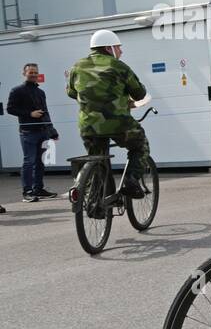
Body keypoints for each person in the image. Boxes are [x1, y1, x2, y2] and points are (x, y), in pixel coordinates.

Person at [66, 30, 150, 199]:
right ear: (109, 48)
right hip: (118, 123)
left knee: (98, 160)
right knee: (140, 145)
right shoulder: (118, 66)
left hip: (89, 126)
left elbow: (71, 92)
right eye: (118, 48)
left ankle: (97, 205)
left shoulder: (77, 66)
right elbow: (139, 93)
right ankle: (131, 180)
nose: (121, 51)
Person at [7, 63, 59, 201]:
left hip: (43, 131)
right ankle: (27, 192)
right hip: (27, 132)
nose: (34, 75)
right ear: (24, 73)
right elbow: (10, 109)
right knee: (29, 161)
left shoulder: (40, 92)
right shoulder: (17, 90)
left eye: (35, 72)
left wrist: (52, 131)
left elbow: (45, 112)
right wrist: (30, 114)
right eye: (31, 72)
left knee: (40, 162)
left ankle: (38, 189)